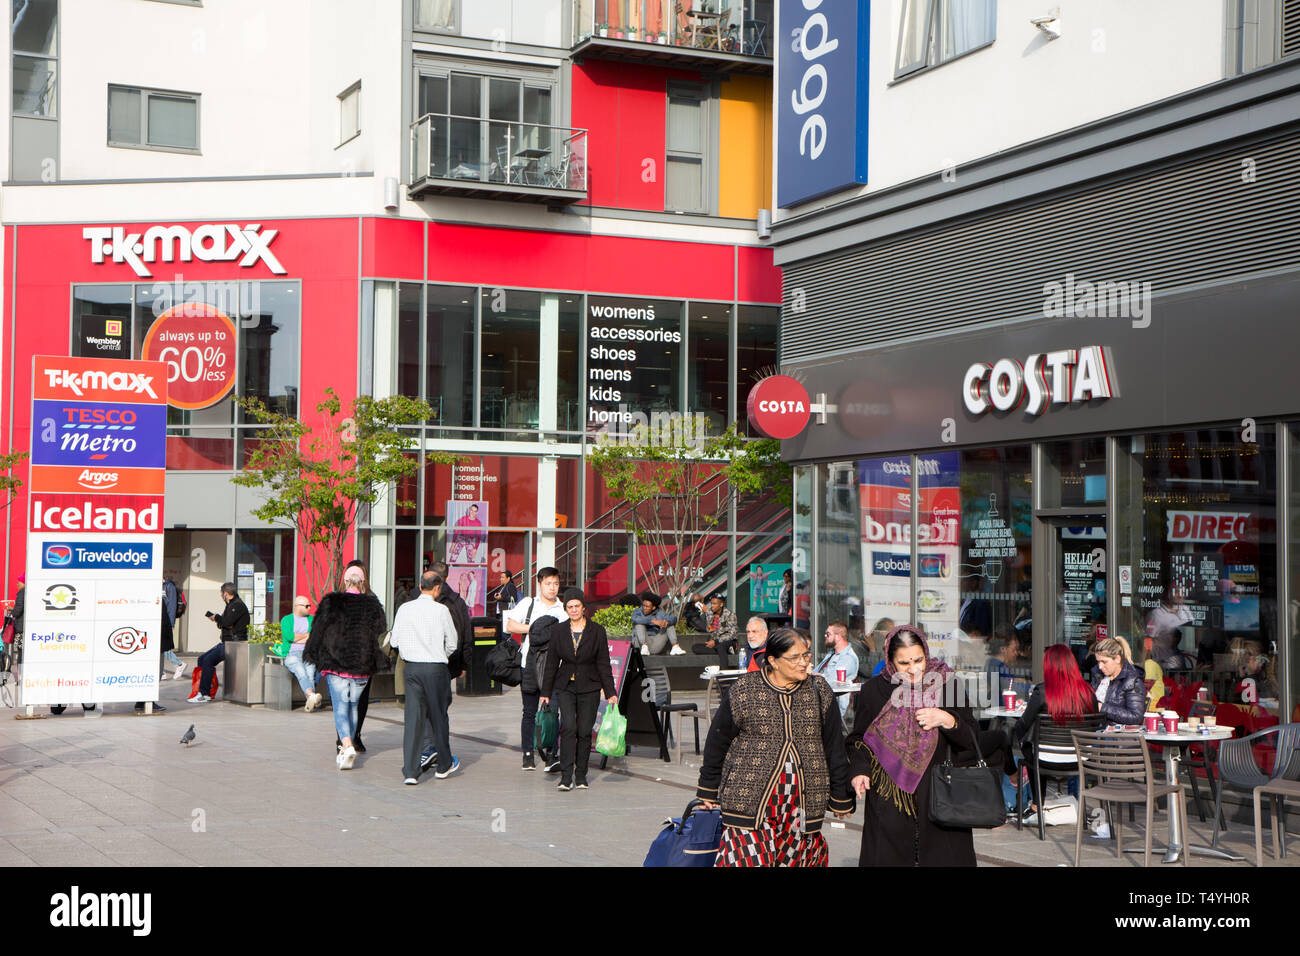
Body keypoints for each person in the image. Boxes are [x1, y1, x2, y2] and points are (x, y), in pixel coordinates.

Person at [696, 628, 855, 866]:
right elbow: (718, 740)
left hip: (802, 805)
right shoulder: (744, 689)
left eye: (807, 655)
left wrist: (840, 794)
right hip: (748, 800)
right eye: (795, 658)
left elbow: (834, 746)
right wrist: (708, 787)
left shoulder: (820, 691)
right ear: (773, 660)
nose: (803, 663)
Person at [849, 624, 979, 867]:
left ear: (926, 655)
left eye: (918, 660)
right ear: (890, 660)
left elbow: (972, 738)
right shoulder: (873, 691)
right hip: (890, 799)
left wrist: (947, 719)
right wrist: (859, 770)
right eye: (904, 663)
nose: (913, 670)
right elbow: (859, 739)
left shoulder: (947, 685)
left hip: (940, 793)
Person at [304, 566, 388, 770]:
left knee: (341, 707)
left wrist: (313, 654)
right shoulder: (373, 605)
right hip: (361, 664)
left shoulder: (332, 602)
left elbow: (318, 630)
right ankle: (346, 746)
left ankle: (347, 744)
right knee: (352, 706)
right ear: (363, 582)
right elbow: (381, 631)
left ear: (345, 581)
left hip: (336, 662)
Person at [539, 588, 618, 791]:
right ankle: (566, 776)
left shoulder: (597, 631)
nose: (573, 610)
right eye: (569, 607)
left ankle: (581, 774)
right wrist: (545, 693)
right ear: (566, 609)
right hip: (565, 686)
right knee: (569, 728)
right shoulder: (558, 631)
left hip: (590, 686)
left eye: (577, 606)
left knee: (584, 731)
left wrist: (610, 692)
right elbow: (551, 663)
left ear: (584, 608)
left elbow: (603, 663)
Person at [390, 571, 460, 784]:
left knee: (413, 720)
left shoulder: (404, 608)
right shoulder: (441, 610)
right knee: (438, 717)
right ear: (437, 588)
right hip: (435, 668)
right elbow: (452, 643)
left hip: (411, 668)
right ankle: (443, 764)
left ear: (420, 587)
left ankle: (411, 772)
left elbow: (394, 641)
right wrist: (440, 655)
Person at [1013, 644, 1098, 812]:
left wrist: (1021, 739)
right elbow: (1093, 727)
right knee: (1035, 746)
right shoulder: (1088, 692)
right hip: (1080, 758)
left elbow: (1023, 724)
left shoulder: (1042, 692)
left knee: (1031, 746)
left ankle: (1037, 804)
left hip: (1046, 758)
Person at [505, 566, 566, 772]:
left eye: (556, 583)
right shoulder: (529, 604)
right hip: (529, 667)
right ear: (539, 584)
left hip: (554, 668)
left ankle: (551, 754)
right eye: (548, 583)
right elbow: (510, 626)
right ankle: (528, 753)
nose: (552, 588)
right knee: (529, 711)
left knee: (553, 712)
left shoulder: (563, 608)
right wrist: (535, 629)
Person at [337, 559, 383, 753]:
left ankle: (354, 736)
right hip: (349, 657)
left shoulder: (371, 601)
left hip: (362, 658)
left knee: (358, 700)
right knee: (346, 699)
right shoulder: (338, 600)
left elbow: (379, 629)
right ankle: (344, 738)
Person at [189, 583, 249, 703]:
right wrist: (218, 619)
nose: (221, 595)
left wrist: (217, 618)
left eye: (221, 593)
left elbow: (226, 623)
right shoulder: (231, 605)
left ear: (225, 593)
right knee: (202, 659)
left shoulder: (237, 605)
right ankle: (204, 689)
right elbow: (226, 623)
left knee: (208, 660)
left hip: (233, 644)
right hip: (227, 642)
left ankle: (205, 694)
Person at [1091, 636, 1146, 725]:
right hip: (1096, 731)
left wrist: (1102, 708)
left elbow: (1136, 717)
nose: (1100, 666)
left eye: (1104, 662)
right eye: (1098, 662)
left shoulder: (1133, 681)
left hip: (1117, 736)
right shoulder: (1099, 676)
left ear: (1117, 659)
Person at [279, 595, 321, 712]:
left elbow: (313, 636)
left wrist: (298, 637)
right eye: (307, 606)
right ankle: (311, 697)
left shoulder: (311, 619)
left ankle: (310, 699)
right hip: (292, 653)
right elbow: (289, 636)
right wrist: (304, 636)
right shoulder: (286, 619)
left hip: (308, 652)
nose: (309, 608)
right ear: (297, 606)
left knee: (310, 674)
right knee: (301, 672)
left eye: (309, 606)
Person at [812, 621, 859, 722]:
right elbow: (815, 672)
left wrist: (817, 676)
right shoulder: (832, 653)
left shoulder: (848, 658)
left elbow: (831, 681)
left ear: (838, 637)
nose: (825, 636)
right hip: (821, 702)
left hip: (835, 709)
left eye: (828, 634)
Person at [1145, 577, 1194, 668]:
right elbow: (1148, 639)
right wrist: (1147, 663)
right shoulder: (1156, 615)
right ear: (1167, 593)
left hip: (1181, 662)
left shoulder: (1187, 611)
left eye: (1183, 592)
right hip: (1162, 664)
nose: (1180, 595)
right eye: (1176, 591)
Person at [692, 593, 737, 666]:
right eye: (711, 603)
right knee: (695, 647)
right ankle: (724, 651)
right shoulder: (710, 613)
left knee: (721, 646)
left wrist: (716, 642)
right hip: (714, 642)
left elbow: (732, 634)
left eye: (715, 603)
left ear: (721, 604)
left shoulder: (730, 615)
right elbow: (710, 630)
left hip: (727, 642)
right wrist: (709, 614)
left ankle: (724, 672)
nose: (712, 606)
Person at [632, 591, 684, 656]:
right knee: (639, 624)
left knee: (669, 624)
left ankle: (675, 646)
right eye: (643, 605)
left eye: (647, 607)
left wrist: (666, 622)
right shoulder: (637, 611)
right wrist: (653, 621)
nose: (644, 608)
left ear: (653, 608)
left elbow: (673, 618)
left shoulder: (659, 613)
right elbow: (635, 619)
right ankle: (644, 647)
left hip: (655, 644)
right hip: (641, 645)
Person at [161, 575, 185, 679]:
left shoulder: (169, 586)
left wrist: (171, 623)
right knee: (160, 646)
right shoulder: (161, 586)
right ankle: (161, 672)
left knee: (163, 646)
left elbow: (172, 605)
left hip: (165, 622)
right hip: (160, 620)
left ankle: (179, 664)